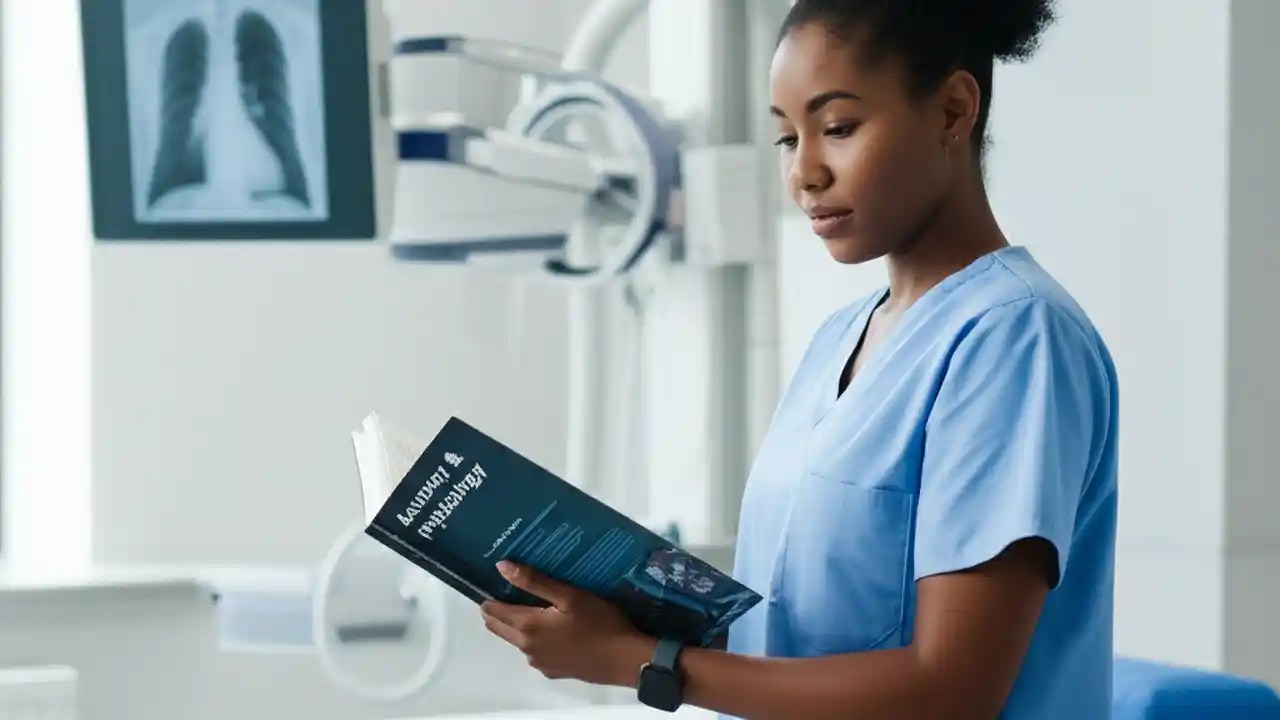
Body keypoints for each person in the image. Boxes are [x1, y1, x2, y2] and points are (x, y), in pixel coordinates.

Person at [478, 0, 1119, 717]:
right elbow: (797, 637)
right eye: (787, 139)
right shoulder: (839, 339)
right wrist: (625, 623)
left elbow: (951, 690)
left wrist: (641, 664)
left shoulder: (1015, 338)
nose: (804, 173)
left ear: (951, 111)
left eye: (838, 128)